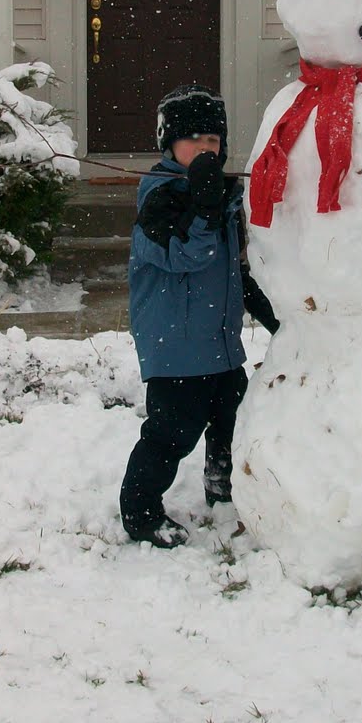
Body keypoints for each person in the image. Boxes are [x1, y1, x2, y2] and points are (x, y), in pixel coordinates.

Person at [120, 84, 279, 548]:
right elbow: (187, 255)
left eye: (213, 140)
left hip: (219, 343)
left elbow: (233, 271)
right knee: (172, 433)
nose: (205, 148)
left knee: (232, 416)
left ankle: (221, 483)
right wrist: (205, 207)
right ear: (169, 145)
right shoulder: (159, 200)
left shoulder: (220, 199)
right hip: (176, 347)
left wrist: (273, 316)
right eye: (193, 140)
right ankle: (141, 511)